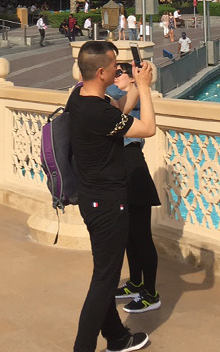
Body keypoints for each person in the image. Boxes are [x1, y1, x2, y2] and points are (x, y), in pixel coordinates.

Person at [66, 40, 157, 352]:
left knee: (102, 274)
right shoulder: (96, 112)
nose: (119, 68)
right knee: (104, 282)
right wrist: (144, 88)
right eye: (115, 65)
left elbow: (118, 112)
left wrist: (134, 86)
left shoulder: (79, 97)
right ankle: (83, 346)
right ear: (102, 71)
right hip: (107, 204)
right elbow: (147, 129)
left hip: (90, 197)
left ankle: (117, 337)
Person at [107, 63, 162, 315]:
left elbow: (121, 110)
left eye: (120, 73)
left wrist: (141, 86)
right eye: (113, 72)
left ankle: (150, 293)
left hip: (134, 170)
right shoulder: (116, 94)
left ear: (132, 79)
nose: (115, 77)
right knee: (129, 235)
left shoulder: (132, 98)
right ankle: (136, 283)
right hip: (121, 171)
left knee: (141, 236)